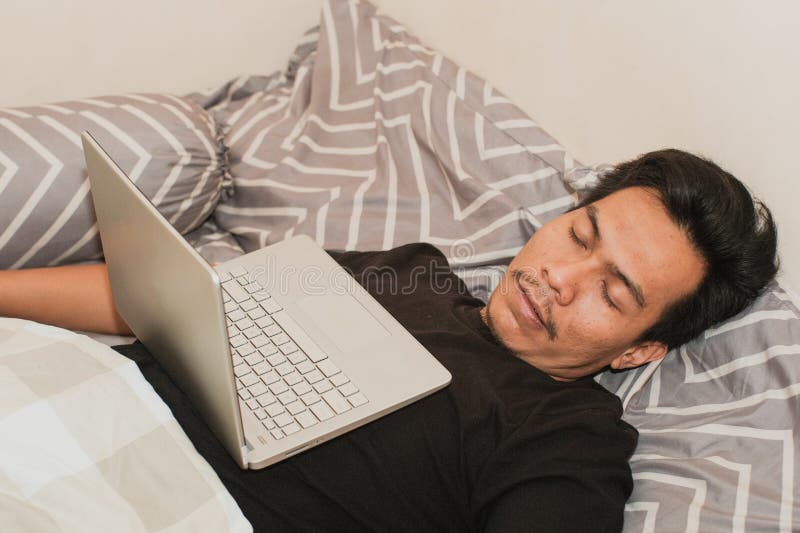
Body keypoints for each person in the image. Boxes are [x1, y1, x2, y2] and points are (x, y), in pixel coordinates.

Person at [0, 149, 778, 531]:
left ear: (639, 350)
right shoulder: (413, 274)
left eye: (613, 293)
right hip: (85, 390)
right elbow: (163, 298)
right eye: (579, 234)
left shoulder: (569, 437)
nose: (560, 278)